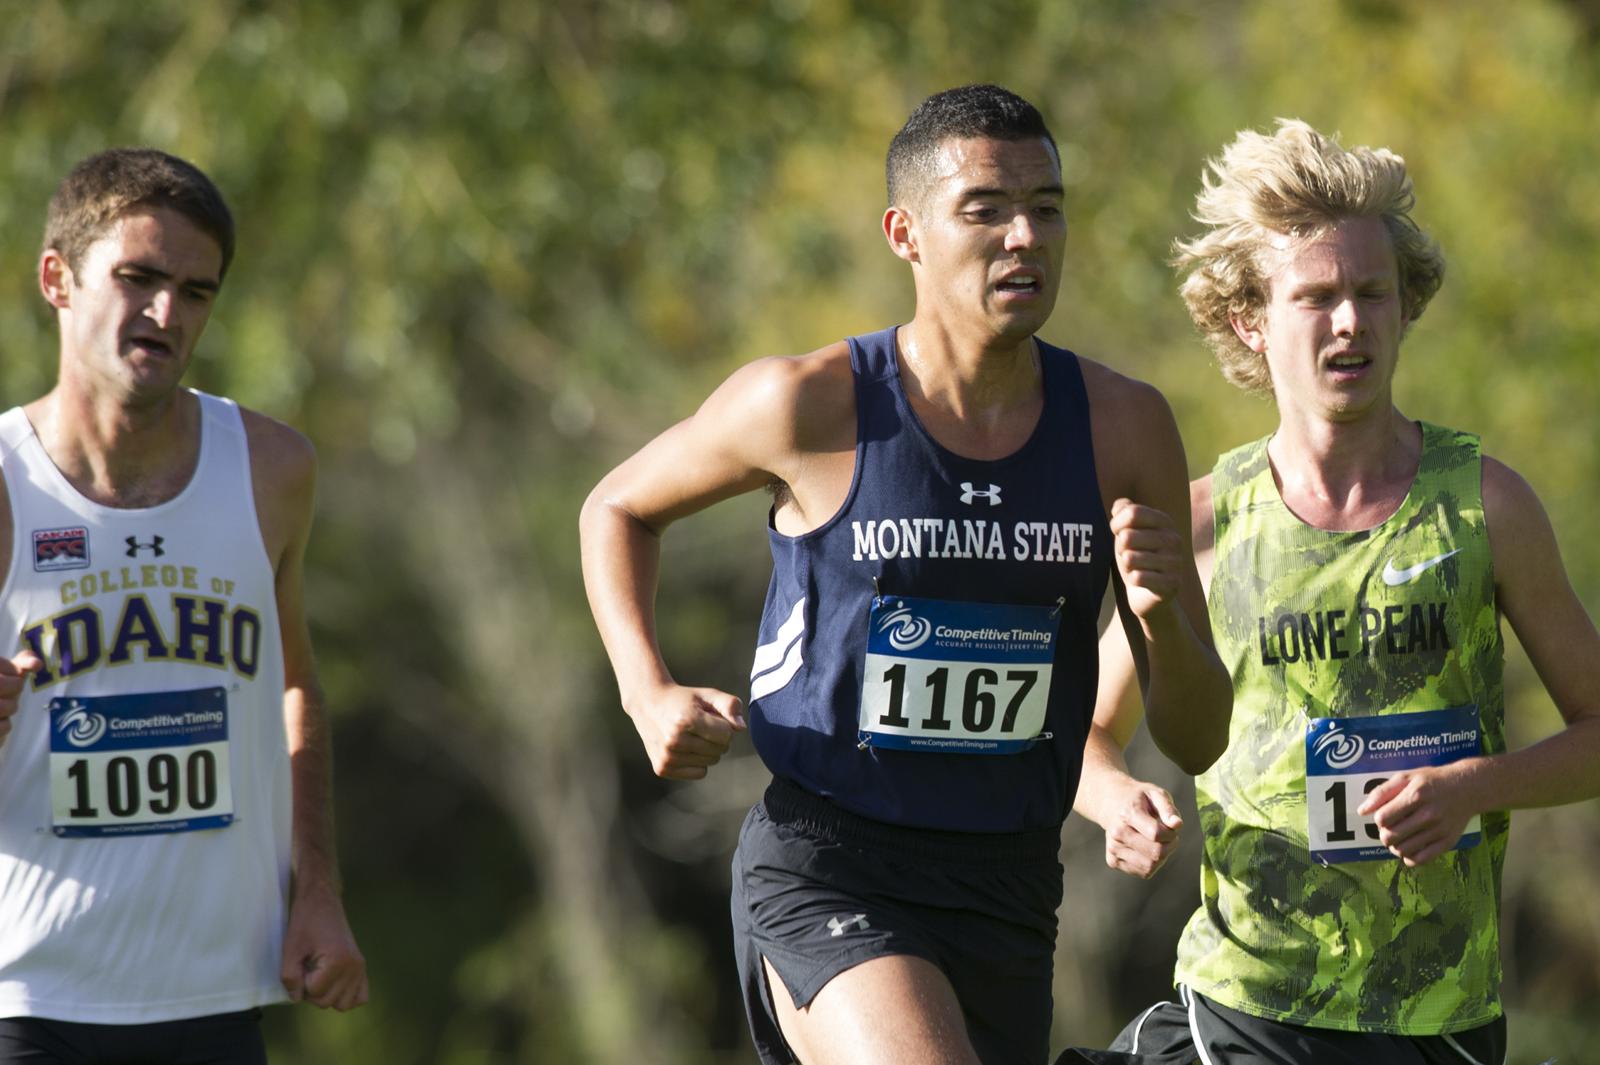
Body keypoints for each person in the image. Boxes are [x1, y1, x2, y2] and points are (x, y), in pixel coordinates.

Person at [580, 84, 1231, 1065]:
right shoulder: (807, 404)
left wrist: (1164, 617)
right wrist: (645, 690)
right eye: (985, 210)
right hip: (829, 863)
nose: (1024, 236)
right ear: (905, 233)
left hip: (1010, 883)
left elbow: (1196, 733)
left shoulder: (1123, 427)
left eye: (1046, 208)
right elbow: (617, 508)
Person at [1068, 120, 1600, 1064]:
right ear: (1251, 320)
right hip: (1242, 1003)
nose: (1349, 320)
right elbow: (1084, 729)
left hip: (1434, 1021)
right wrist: (1116, 799)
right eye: (1316, 297)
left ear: (1404, 308)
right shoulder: (1203, 522)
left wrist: (1475, 787)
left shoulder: (1484, 503)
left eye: (1371, 292)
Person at [0, 149, 367, 1063]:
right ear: (58, 278)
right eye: (139, 277)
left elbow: (294, 687)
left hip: (215, 992)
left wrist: (317, 886)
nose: (167, 313)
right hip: (30, 994)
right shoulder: (4, 482)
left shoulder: (274, 468)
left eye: (195, 292)